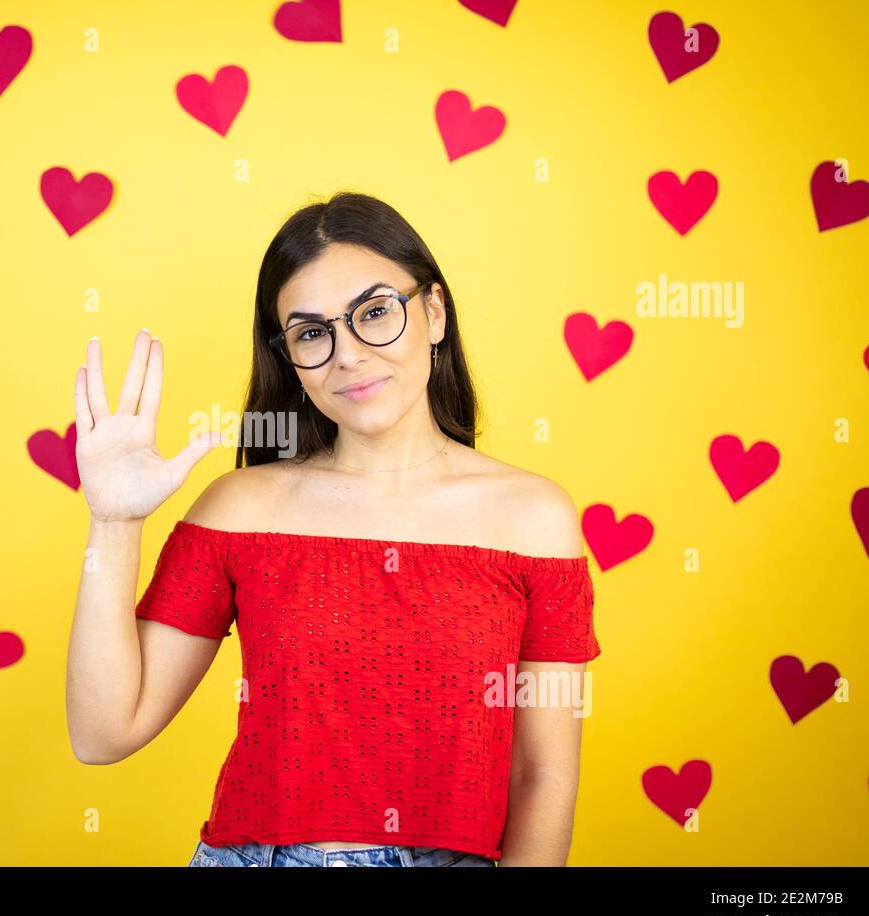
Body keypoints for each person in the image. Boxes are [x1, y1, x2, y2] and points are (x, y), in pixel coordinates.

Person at [65, 191, 601, 868]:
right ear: (289, 356)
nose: (347, 354)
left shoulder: (534, 520)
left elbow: (543, 779)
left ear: (433, 313)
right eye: (313, 332)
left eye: (375, 312)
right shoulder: (238, 510)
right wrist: (113, 522)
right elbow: (103, 731)